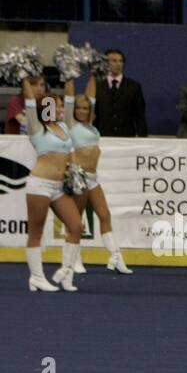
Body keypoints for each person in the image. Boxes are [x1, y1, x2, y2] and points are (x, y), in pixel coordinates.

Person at [17, 76, 82, 293]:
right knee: (36, 232)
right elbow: (28, 100)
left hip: (59, 187)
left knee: (76, 227)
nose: (61, 109)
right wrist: (24, 77)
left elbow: (71, 97)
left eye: (62, 106)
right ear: (46, 108)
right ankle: (36, 277)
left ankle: (66, 272)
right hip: (39, 185)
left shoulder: (64, 126)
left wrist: (69, 77)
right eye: (57, 106)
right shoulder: (37, 128)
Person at [64, 74, 133, 275]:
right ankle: (74, 259)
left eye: (85, 108)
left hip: (93, 178)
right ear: (73, 110)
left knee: (105, 215)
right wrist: (68, 74)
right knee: (77, 220)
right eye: (79, 108)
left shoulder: (92, 127)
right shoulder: (70, 123)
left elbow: (91, 95)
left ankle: (115, 256)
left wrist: (94, 72)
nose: (82, 111)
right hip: (78, 177)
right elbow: (69, 95)